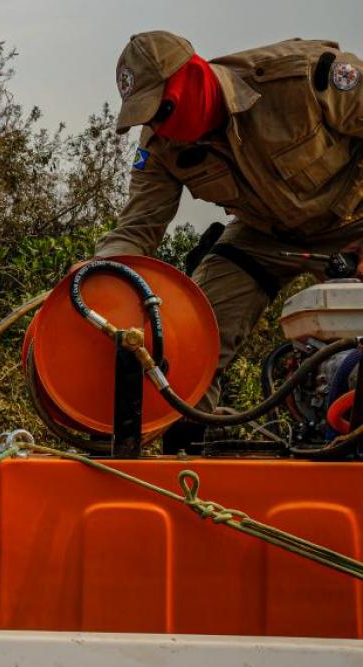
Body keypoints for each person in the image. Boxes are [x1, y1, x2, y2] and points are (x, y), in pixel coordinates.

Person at [96, 32, 363, 411]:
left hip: (355, 221)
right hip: (262, 235)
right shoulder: (159, 147)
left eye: (163, 110)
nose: (160, 127)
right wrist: (99, 276)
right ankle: (194, 449)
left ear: (194, 75)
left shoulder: (302, 77)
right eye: (147, 117)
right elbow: (137, 228)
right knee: (187, 340)